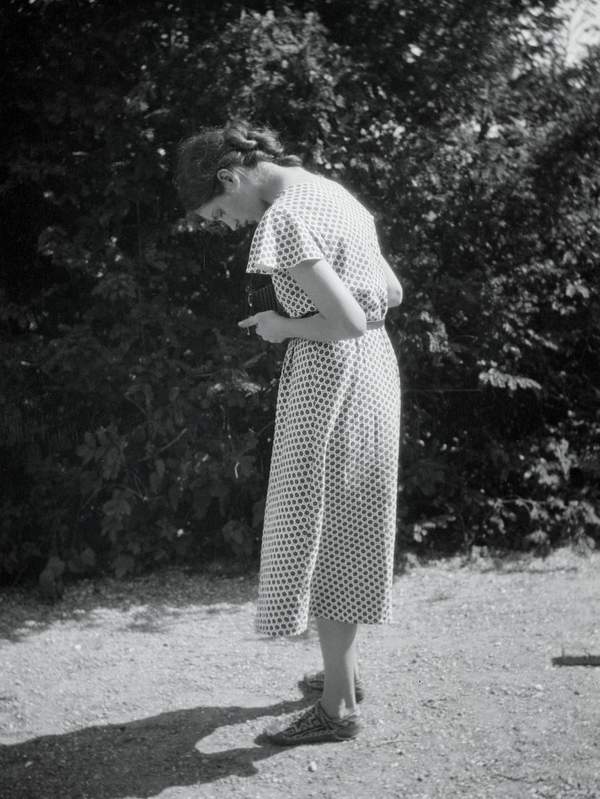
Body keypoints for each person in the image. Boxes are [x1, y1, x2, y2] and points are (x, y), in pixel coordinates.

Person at [175, 120, 403, 746]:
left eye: (220, 210)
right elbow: (390, 293)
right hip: (375, 375)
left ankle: (337, 710)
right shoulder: (337, 195)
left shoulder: (285, 216)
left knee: (324, 532)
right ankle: (343, 679)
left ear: (229, 177)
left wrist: (282, 324)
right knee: (348, 523)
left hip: (330, 382)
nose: (228, 224)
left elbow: (349, 320)